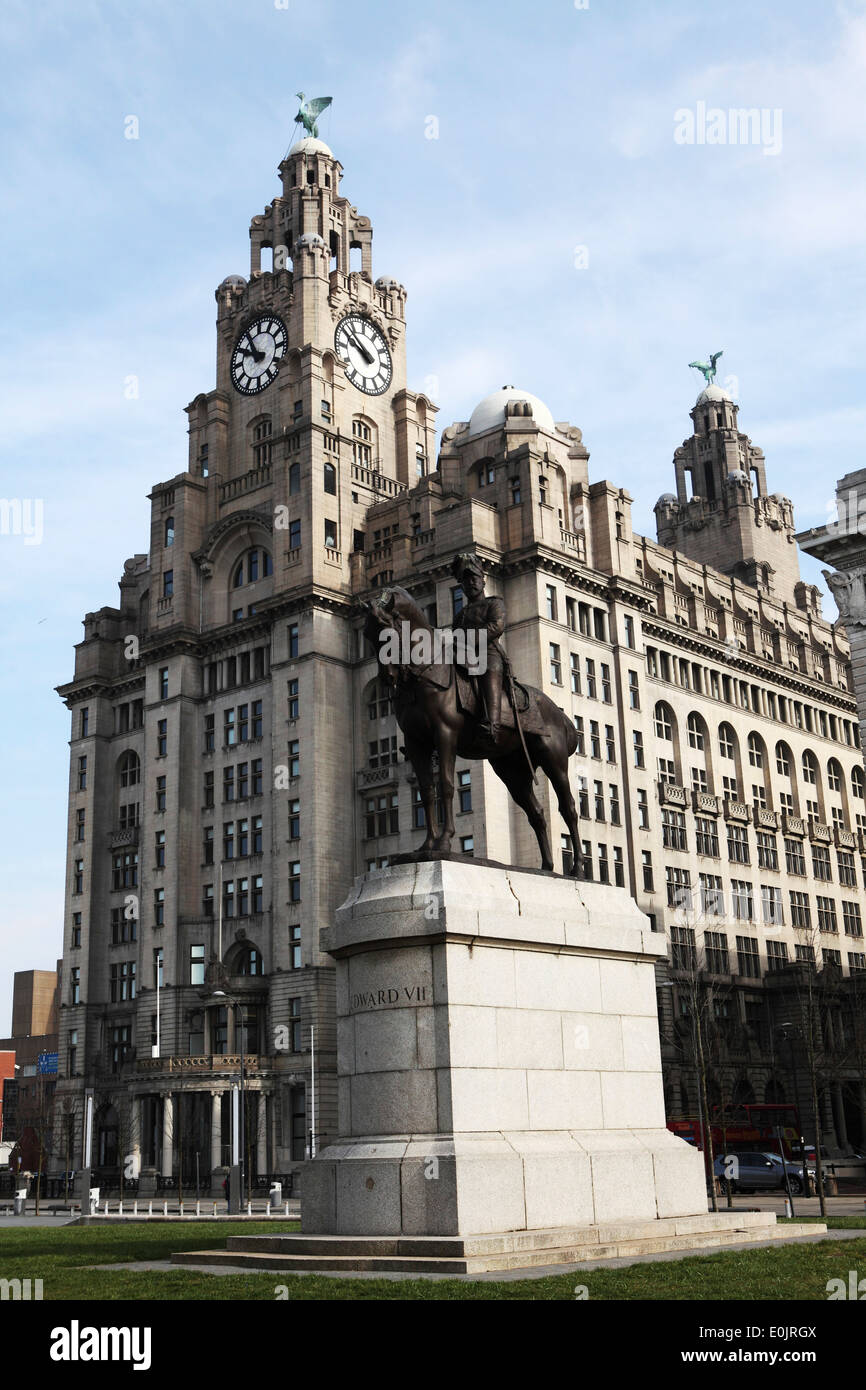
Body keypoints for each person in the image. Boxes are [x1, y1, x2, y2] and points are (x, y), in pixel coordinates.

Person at [451, 553, 507, 749]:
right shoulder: (460, 616)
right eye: (465, 581)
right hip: (463, 657)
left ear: (483, 581)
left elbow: (496, 627)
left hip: (488, 653)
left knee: (489, 669)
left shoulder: (494, 603)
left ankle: (492, 724)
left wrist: (469, 639)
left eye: (474, 578)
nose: (470, 584)